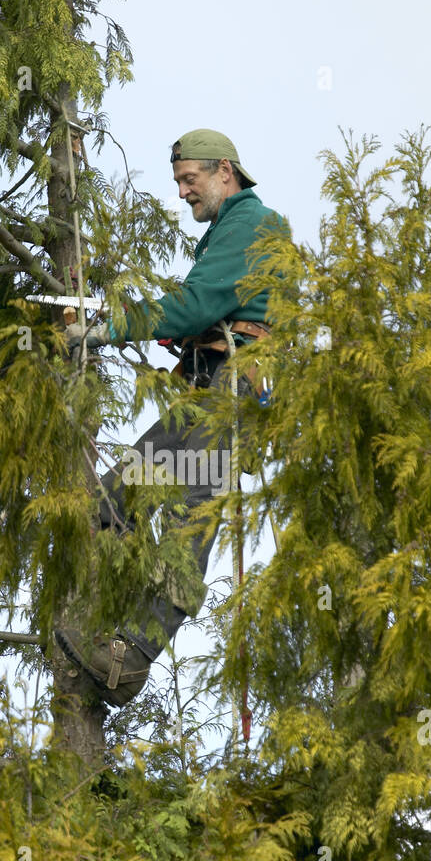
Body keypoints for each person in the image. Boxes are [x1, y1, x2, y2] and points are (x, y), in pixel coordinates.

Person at [57, 128, 287, 705]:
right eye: (179, 182)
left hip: (232, 391)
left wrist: (113, 327)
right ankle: (107, 606)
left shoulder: (253, 223)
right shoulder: (225, 234)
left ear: (225, 173)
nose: (183, 192)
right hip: (206, 387)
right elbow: (205, 313)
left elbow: (196, 304)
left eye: (191, 180)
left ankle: (130, 659)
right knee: (114, 497)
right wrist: (180, 336)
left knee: (189, 523)